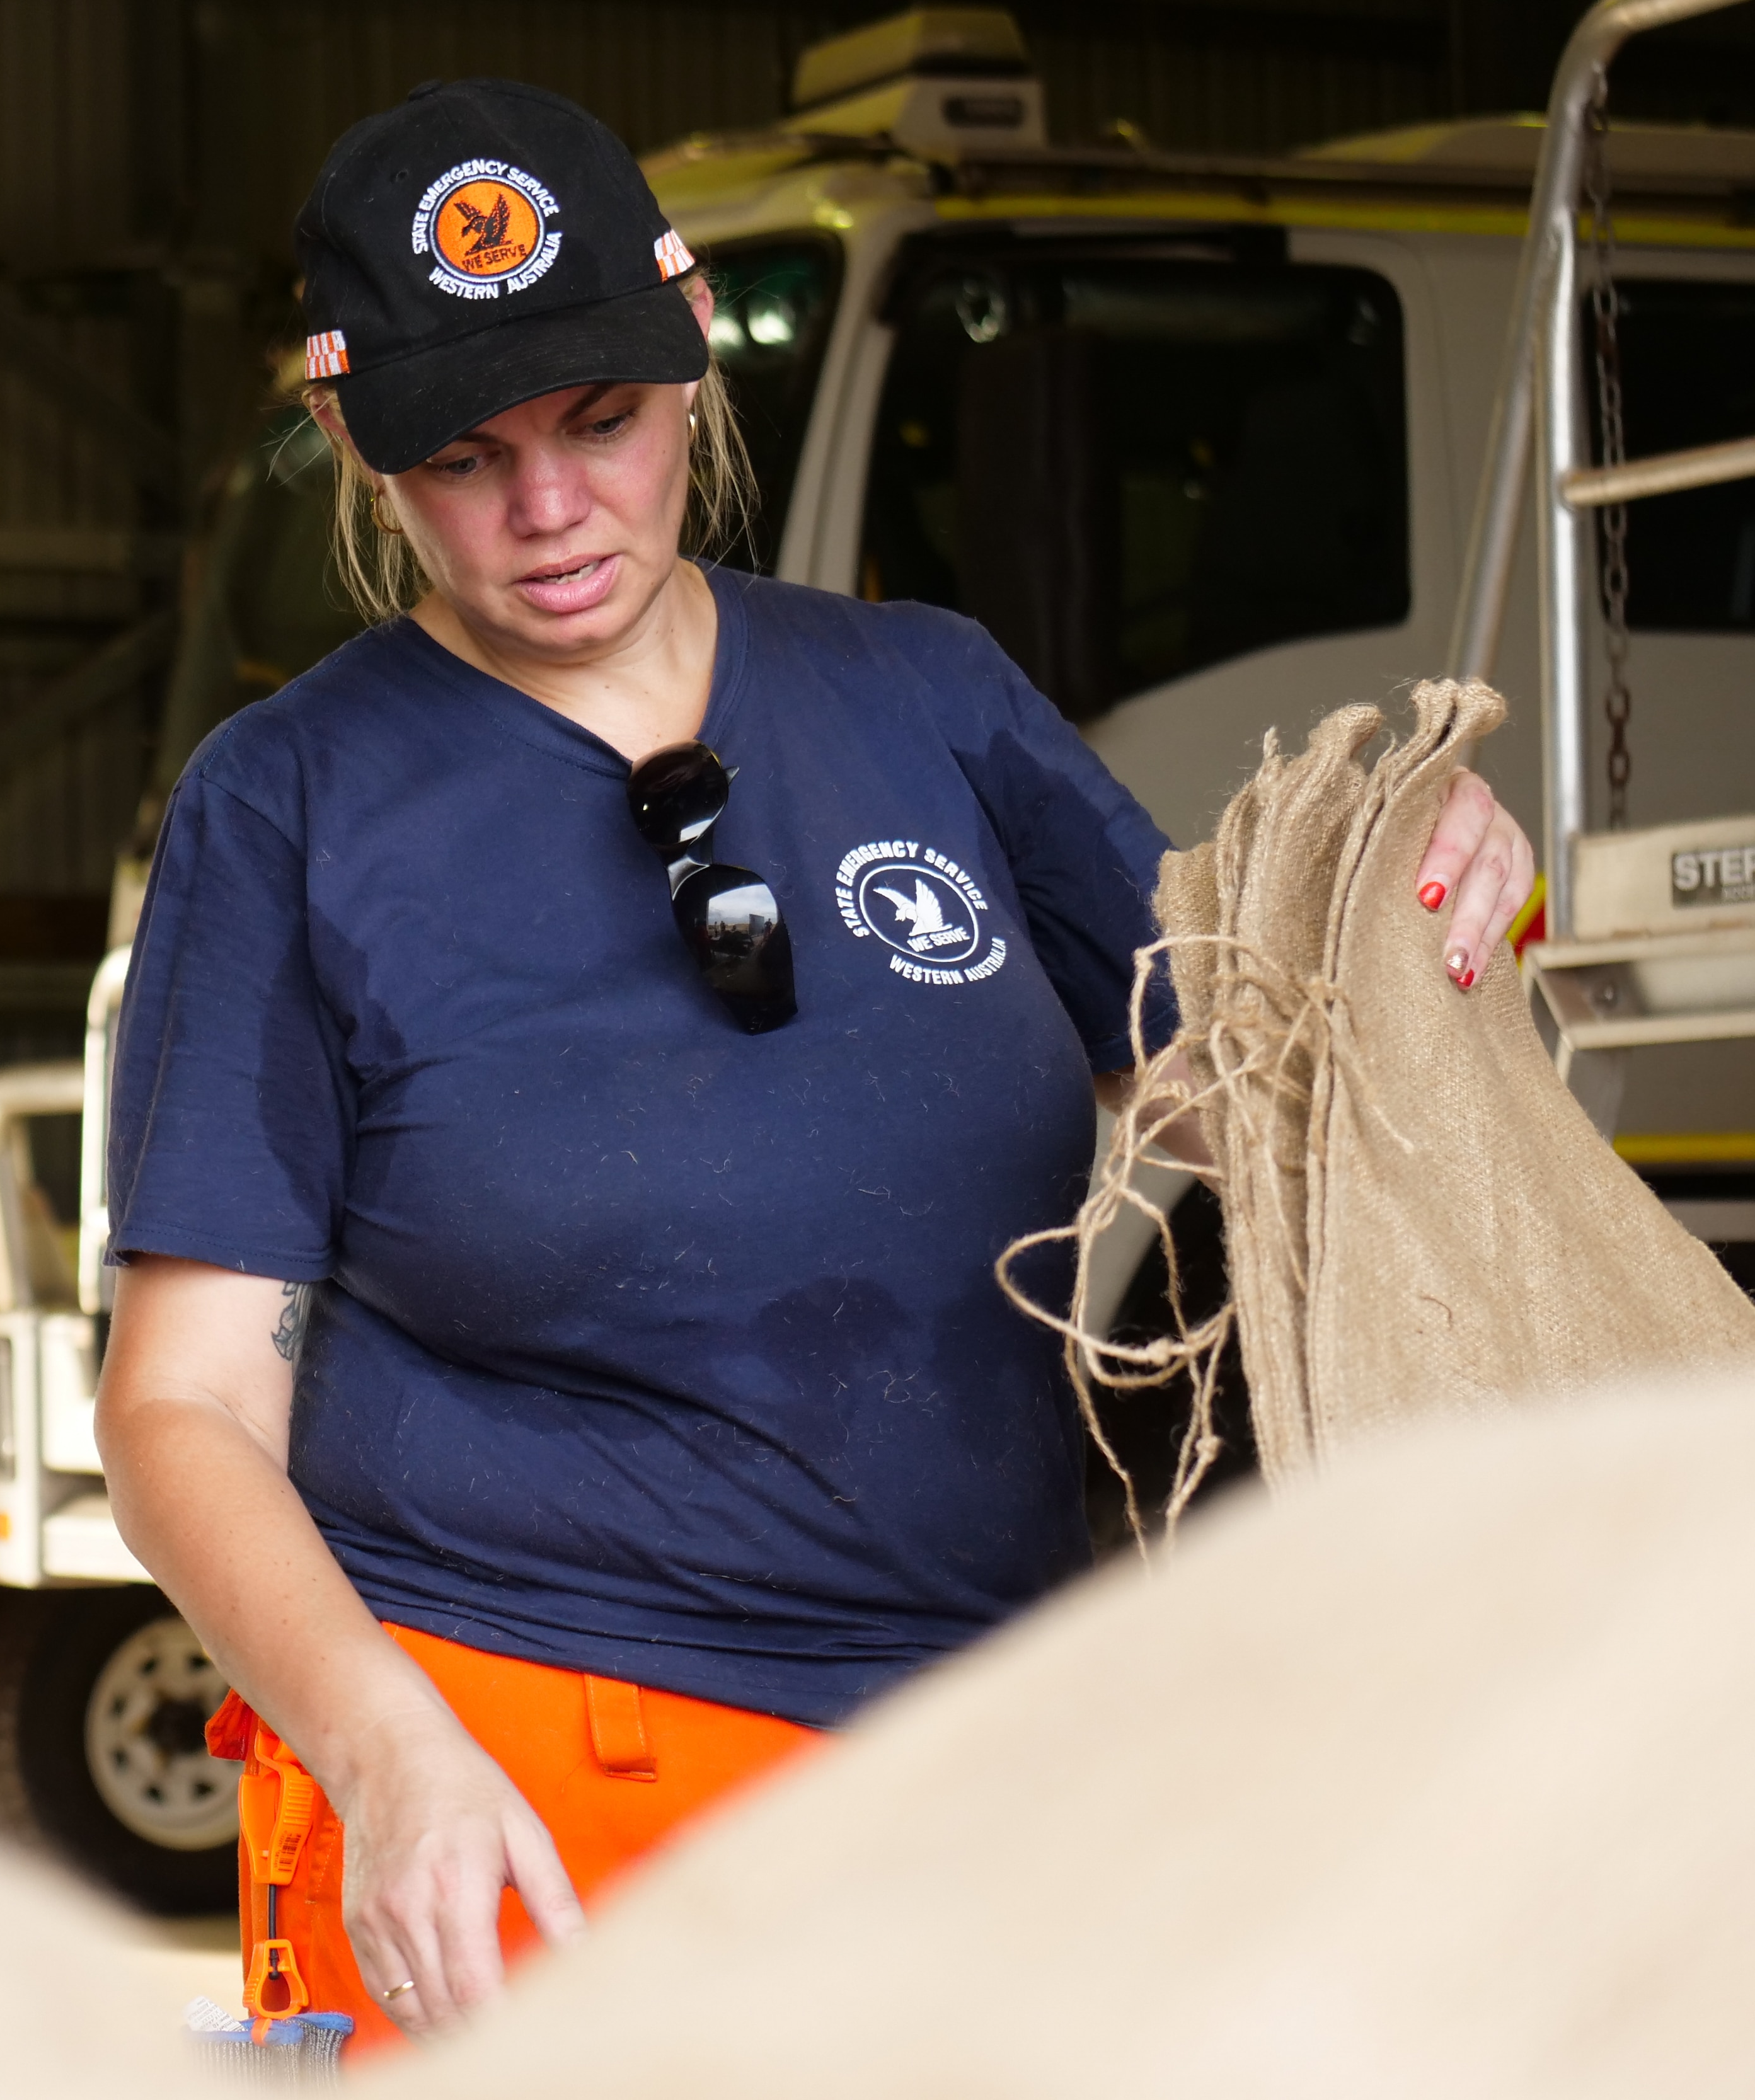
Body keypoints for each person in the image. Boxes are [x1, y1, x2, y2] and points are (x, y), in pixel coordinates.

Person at [93, 79, 1534, 2054]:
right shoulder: (293, 802)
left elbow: (1254, 1094)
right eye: (462, 453)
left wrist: (1421, 906)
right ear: (352, 439)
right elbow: (180, 1413)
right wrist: (381, 1751)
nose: (548, 510)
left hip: (987, 1761)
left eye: (599, 422)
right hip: (523, 1780)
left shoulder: (923, 695)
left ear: (688, 352)